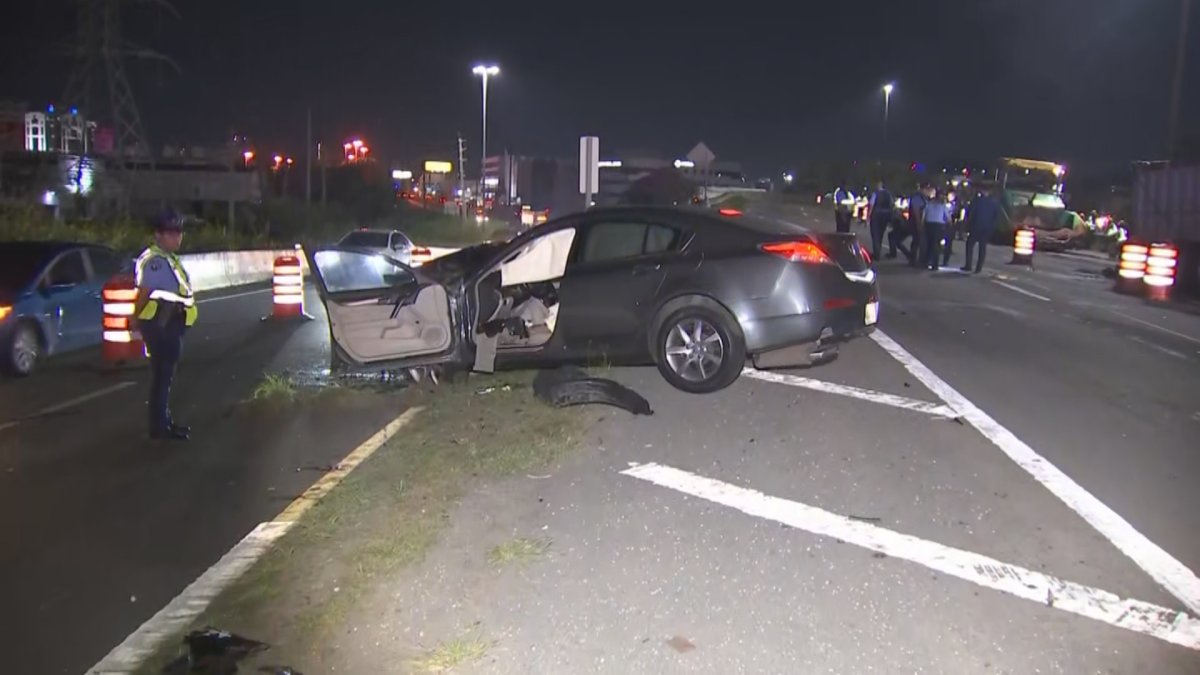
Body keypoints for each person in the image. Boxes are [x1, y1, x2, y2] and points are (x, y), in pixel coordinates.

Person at [134, 210, 198, 441]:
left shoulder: (169, 258)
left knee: (165, 378)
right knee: (163, 378)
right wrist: (135, 318)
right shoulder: (155, 260)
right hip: (161, 325)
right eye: (171, 233)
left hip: (170, 324)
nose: (177, 238)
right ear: (158, 235)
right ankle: (159, 426)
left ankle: (164, 422)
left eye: (178, 233)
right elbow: (144, 293)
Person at [961, 184, 1001, 274]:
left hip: (975, 226)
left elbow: (970, 214)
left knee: (970, 245)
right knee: (982, 247)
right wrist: (992, 227)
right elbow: (996, 217)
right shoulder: (994, 203)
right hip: (987, 228)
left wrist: (967, 226)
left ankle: (968, 265)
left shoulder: (976, 201)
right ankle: (979, 268)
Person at [921, 188, 952, 271]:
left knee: (929, 244)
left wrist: (922, 225)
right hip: (938, 226)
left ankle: (926, 262)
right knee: (936, 245)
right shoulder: (943, 206)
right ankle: (934, 264)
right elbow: (948, 219)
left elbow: (923, 216)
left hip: (929, 225)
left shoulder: (929, 204)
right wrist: (949, 226)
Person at [867, 180, 894, 259]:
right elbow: (892, 204)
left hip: (876, 215)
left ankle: (876, 254)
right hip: (886, 215)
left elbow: (871, 205)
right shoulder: (888, 194)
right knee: (881, 234)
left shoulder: (875, 194)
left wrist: (868, 216)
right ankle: (878, 251)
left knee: (875, 234)